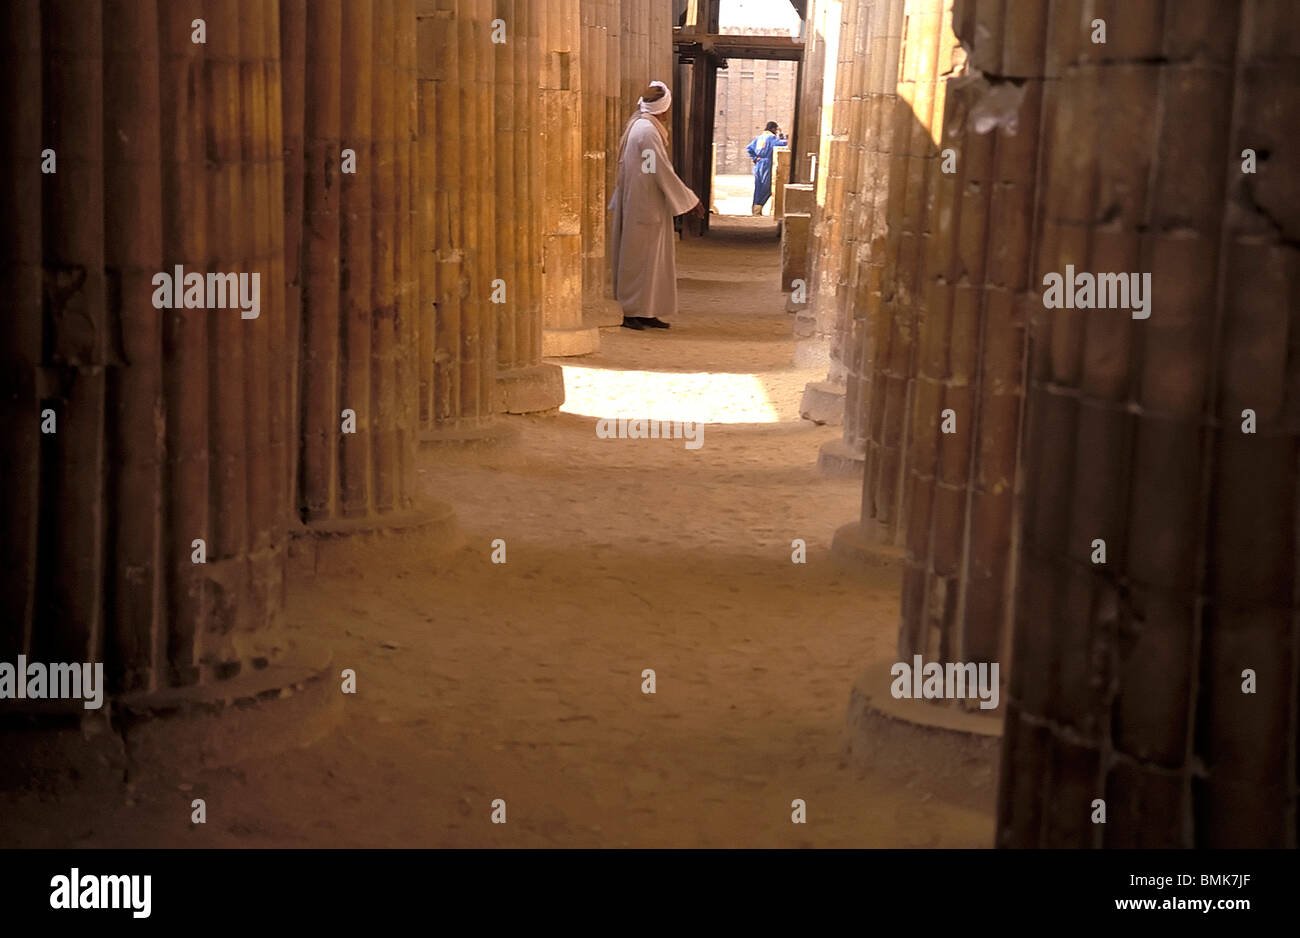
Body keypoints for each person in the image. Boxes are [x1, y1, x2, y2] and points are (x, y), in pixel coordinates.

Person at [607, 80, 705, 331]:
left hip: (647, 202)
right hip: (644, 204)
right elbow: (660, 169)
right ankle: (631, 310)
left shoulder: (642, 127)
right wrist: (690, 200)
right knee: (637, 260)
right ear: (662, 108)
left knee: (651, 261)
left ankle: (646, 310)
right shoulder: (647, 131)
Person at [746, 121, 780, 216]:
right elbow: (781, 144)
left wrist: (755, 158)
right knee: (767, 187)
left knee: (758, 186)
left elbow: (749, 148)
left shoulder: (760, 137)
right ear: (773, 129)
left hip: (759, 164)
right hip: (766, 164)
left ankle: (755, 208)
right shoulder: (771, 138)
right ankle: (758, 207)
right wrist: (783, 137)